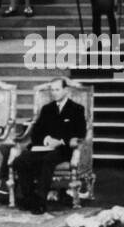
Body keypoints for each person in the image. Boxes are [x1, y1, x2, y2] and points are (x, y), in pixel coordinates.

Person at [12, 78, 87, 215]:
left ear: (66, 90)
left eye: (57, 89)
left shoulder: (77, 109)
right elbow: (36, 133)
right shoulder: (47, 109)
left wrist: (61, 141)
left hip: (63, 150)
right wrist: (46, 139)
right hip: (43, 147)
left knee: (48, 160)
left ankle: (40, 201)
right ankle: (29, 198)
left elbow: (80, 132)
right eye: (52, 90)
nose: (54, 93)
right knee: (20, 161)